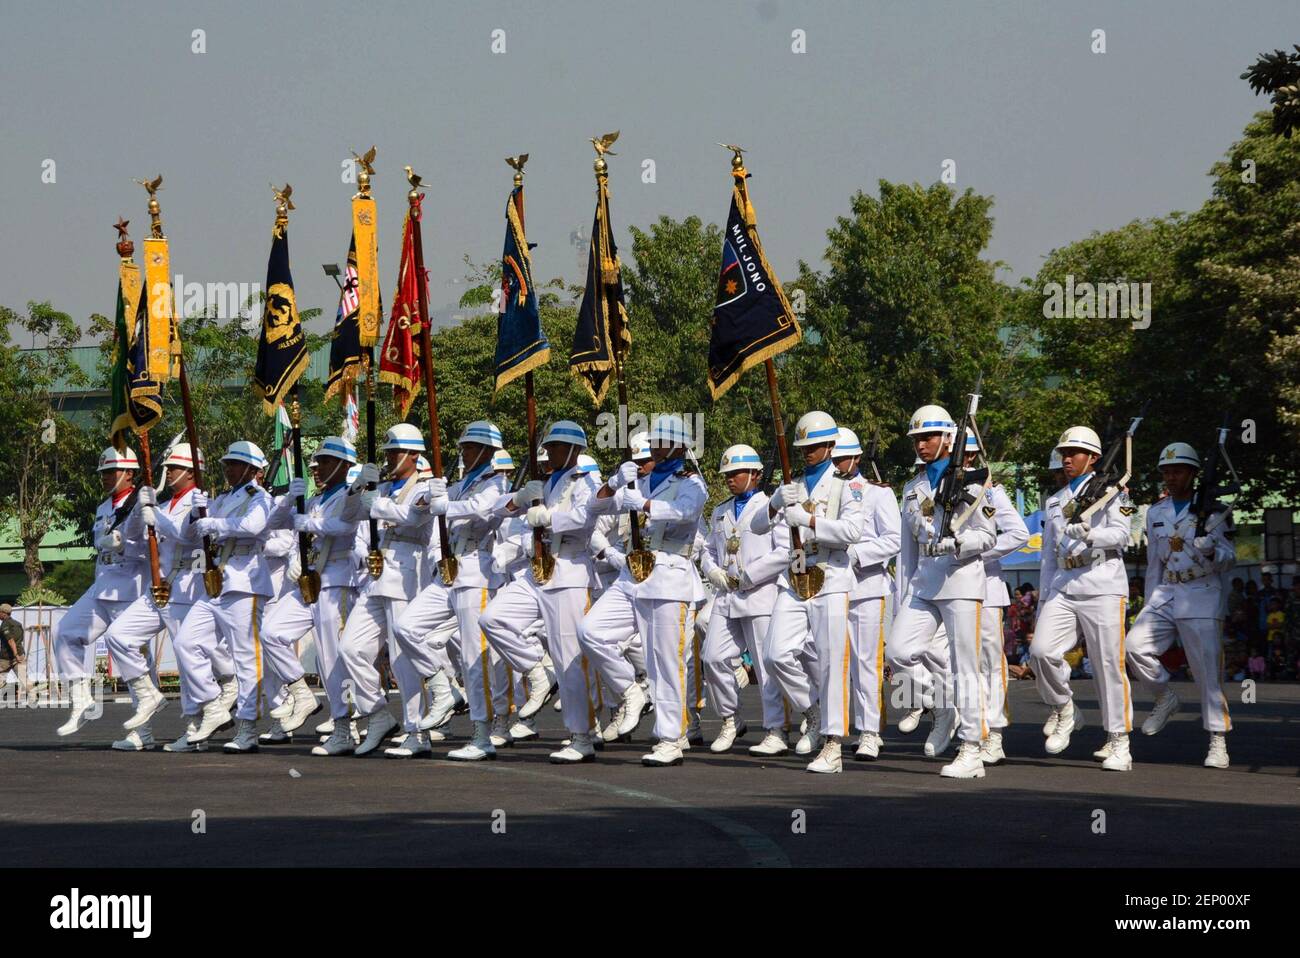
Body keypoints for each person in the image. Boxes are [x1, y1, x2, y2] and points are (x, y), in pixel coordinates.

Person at [481, 420, 622, 763]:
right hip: (537, 569)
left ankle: (582, 736)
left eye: (557, 446)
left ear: (574, 451)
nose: (550, 451)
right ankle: (536, 671)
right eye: (549, 446)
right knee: (492, 618)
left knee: (569, 657)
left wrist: (548, 516)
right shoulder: (544, 481)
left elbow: (584, 520)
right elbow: (498, 511)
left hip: (569, 570)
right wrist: (520, 498)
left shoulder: (587, 483)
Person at [583, 414, 708, 767]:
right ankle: (631, 691)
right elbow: (596, 508)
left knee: (664, 661)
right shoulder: (642, 478)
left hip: (669, 573)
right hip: (633, 572)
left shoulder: (692, 481)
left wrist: (646, 505)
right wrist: (611, 483)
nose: (652, 446)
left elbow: (686, 512)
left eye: (659, 441)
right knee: (591, 631)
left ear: (677, 446)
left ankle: (670, 738)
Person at [393, 421, 516, 760]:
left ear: (485, 451)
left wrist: (446, 505)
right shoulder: (460, 484)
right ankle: (442, 689)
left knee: (473, 658)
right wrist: (437, 548)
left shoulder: (496, 483)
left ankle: (482, 734)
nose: (462, 451)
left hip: (475, 570)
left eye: (468, 446)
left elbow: (481, 509)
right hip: (448, 569)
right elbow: (436, 525)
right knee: (406, 627)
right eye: (462, 446)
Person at [754, 410, 865, 774]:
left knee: (832, 661)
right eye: (804, 446)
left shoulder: (848, 484)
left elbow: (852, 532)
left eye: (815, 446)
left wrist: (811, 520)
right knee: (774, 655)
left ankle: (833, 744)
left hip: (831, 574)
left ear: (832, 446)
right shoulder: (794, 484)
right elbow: (756, 527)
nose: (808, 452)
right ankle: (813, 711)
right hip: (797, 572)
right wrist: (772, 503)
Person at [105, 444, 235, 752]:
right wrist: (138, 515)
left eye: (173, 468)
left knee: (186, 656)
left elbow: (184, 535)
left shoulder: (202, 501)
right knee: (118, 635)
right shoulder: (165, 504)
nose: (168, 473)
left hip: (188, 585)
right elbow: (141, 541)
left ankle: (196, 727)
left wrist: (156, 516)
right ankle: (149, 695)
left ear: (191, 472)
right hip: (160, 587)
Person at [889, 410, 998, 779]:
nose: (922, 443)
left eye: (931, 436)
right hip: (924, 581)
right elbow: (907, 551)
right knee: (899, 651)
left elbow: (989, 534)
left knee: (967, 667)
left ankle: (971, 749)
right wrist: (904, 592)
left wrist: (959, 543)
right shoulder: (911, 487)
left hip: (962, 579)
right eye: (917, 438)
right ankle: (943, 704)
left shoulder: (972, 481)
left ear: (949, 439)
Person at [1030, 425, 1136, 771]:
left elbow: (1122, 536)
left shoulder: (1114, 492)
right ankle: (1065, 708)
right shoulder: (1055, 501)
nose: (1067, 459)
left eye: (1074, 453)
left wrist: (1093, 534)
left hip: (1102, 581)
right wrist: (1043, 601)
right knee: (1041, 651)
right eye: (1064, 453)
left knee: (1108, 665)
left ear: (1093, 458)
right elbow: (1047, 557)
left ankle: (1119, 740)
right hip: (1063, 581)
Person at [1126, 442, 1236, 769]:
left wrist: (1213, 550)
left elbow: (1231, 558)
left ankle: (1218, 739)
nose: (1170, 477)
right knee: (1134, 646)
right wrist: (1148, 604)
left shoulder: (1215, 512)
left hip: (1202, 589)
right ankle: (1164, 697)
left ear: (1192, 474)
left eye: (1177, 471)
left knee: (1206, 671)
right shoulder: (1156, 512)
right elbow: (1153, 564)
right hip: (1167, 589)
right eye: (1166, 472)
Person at [334, 424, 434, 757]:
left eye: (395, 453)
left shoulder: (426, 486)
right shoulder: (384, 487)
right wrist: (359, 486)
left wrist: (375, 502)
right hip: (377, 576)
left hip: (406, 572)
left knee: (403, 659)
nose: (390, 458)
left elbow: (414, 518)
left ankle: (417, 731)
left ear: (413, 455)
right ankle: (377, 714)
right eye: (388, 452)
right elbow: (349, 515)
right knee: (350, 647)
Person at [258, 437, 361, 755]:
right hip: (309, 582)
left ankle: (345, 727)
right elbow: (272, 522)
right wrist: (290, 498)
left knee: (333, 657)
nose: (317, 470)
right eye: (315, 465)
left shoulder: (349, 495)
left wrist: (311, 522)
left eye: (325, 464)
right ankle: (302, 693)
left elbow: (347, 526)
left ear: (344, 466)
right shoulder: (313, 500)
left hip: (336, 582)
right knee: (272, 632)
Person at [175, 441, 275, 752]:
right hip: (217, 580)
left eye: (234, 464)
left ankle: (247, 728)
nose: (228, 469)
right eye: (227, 463)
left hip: (245, 580)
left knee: (246, 657)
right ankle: (213, 706)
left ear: (252, 470)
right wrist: (196, 513)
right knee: (185, 642)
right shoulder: (221, 499)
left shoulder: (261, 498)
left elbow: (252, 526)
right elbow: (191, 536)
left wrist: (215, 522)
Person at [698, 443, 788, 753]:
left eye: (735, 473)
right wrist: (711, 571)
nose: (729, 479)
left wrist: (750, 575)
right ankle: (730, 718)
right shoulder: (721, 510)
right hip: (726, 595)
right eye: (727, 474)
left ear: (755, 474)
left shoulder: (771, 507)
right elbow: (708, 549)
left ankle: (776, 729)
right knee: (712, 657)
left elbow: (785, 551)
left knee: (765, 666)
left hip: (760, 594)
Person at [53, 447, 147, 737]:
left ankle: (143, 730)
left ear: (129, 474)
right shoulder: (104, 507)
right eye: (103, 473)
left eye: (111, 472)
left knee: (134, 657)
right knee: (65, 632)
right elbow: (99, 543)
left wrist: (125, 545)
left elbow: (153, 550)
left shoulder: (143, 504)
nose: (105, 478)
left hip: (129, 588)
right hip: (102, 585)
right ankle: (81, 700)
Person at [959, 432, 1029, 766]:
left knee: (989, 661)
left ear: (972, 458)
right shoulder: (937, 488)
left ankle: (994, 733)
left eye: (966, 456)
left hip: (985, 586)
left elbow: (1018, 533)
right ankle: (964, 724)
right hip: (951, 586)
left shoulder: (991, 491)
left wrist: (978, 555)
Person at [834, 428, 901, 761]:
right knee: (828, 660)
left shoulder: (877, 494)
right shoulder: (825, 490)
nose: (837, 463)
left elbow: (893, 540)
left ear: (857, 458)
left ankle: (869, 732)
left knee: (865, 662)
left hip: (866, 586)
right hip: (830, 586)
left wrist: (857, 554)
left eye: (842, 457)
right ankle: (830, 727)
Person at [0, 604, 28, 704]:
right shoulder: (18, 624)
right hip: (20, 654)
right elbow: (20, 640)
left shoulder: (5, 624)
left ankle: (6, 688)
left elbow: (10, 640)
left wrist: (15, 654)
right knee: (23, 677)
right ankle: (33, 696)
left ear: (3, 613)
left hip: (7, 657)